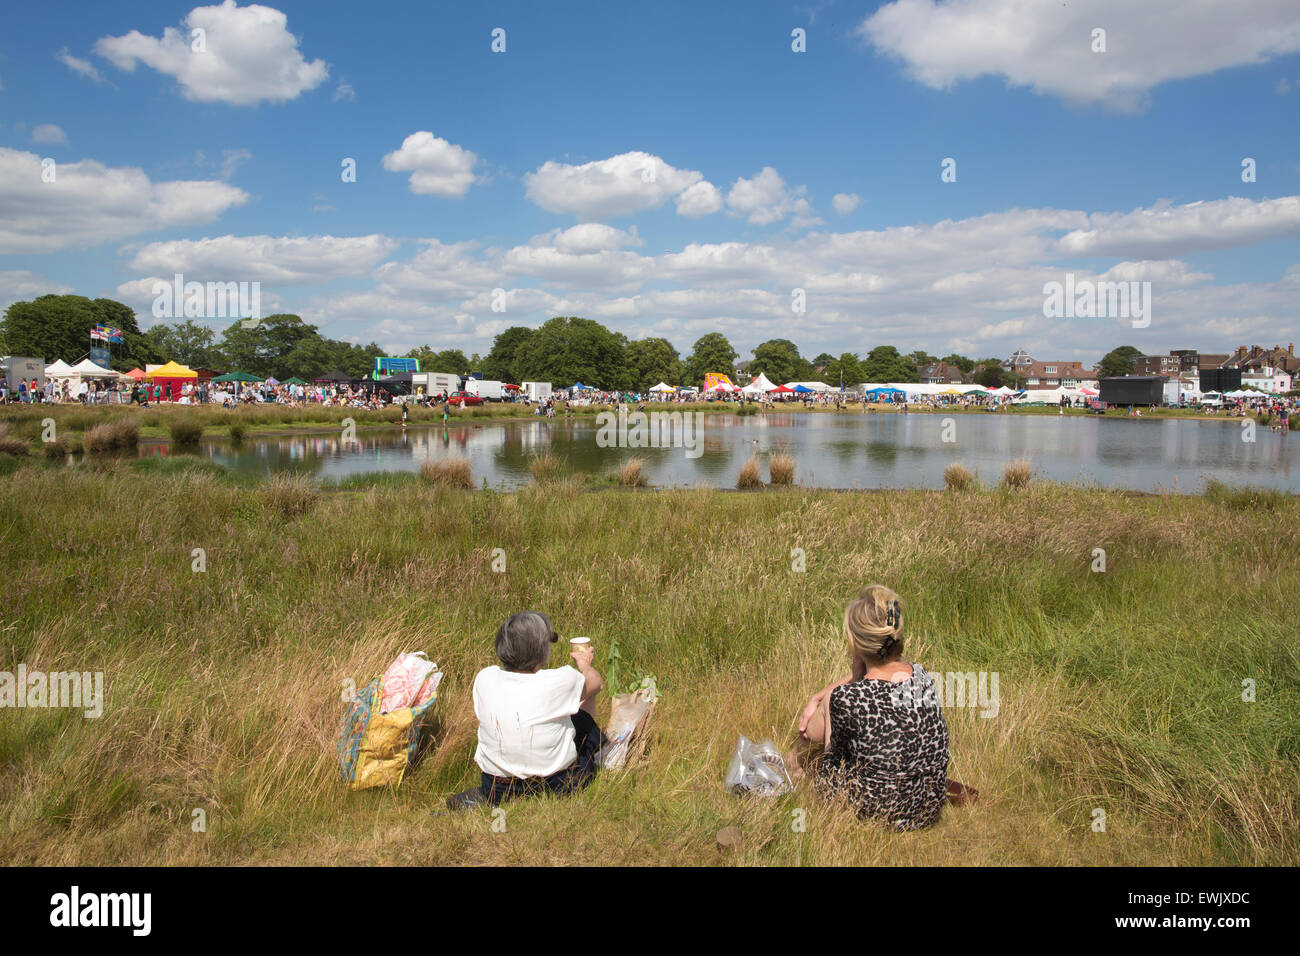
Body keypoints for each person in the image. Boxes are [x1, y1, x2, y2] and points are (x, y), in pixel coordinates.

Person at [796, 584, 955, 830]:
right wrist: (818, 695)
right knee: (834, 701)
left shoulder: (847, 699)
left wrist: (822, 700)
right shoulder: (923, 677)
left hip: (876, 816)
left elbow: (830, 767)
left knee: (831, 709)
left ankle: (794, 764)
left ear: (856, 644)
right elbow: (880, 683)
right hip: (927, 809)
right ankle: (793, 763)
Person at [448, 611, 607, 810]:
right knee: (580, 720)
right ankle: (594, 754)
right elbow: (596, 684)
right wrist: (585, 666)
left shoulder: (485, 678)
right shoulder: (560, 680)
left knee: (563, 713)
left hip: (496, 787)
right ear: (541, 648)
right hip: (557, 785)